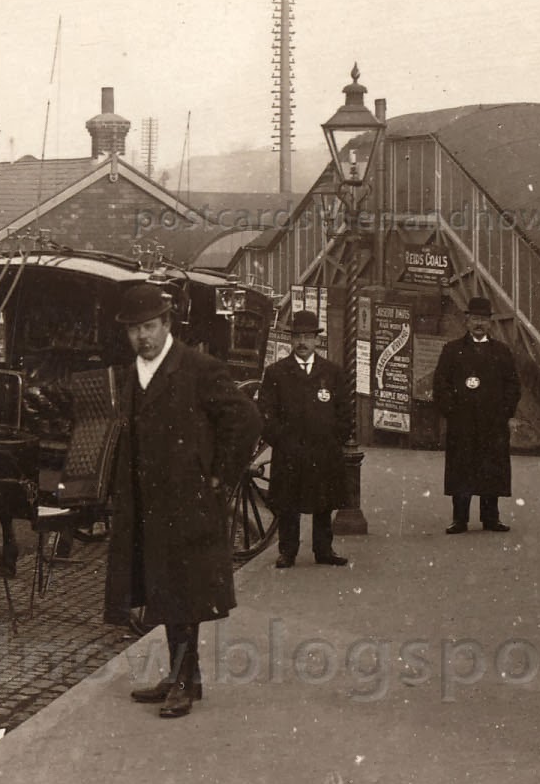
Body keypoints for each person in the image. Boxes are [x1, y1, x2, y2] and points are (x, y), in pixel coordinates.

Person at [103, 283, 261, 719]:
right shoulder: (133, 372)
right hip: (147, 503)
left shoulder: (197, 368)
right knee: (164, 590)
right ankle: (182, 677)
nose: (143, 338)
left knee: (183, 593)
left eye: (149, 327)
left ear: (167, 324)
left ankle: (184, 684)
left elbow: (246, 419)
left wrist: (219, 476)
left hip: (186, 503)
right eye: (134, 330)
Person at [257, 309, 353, 568]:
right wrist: (281, 441)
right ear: (291, 340)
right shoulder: (276, 372)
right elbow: (265, 414)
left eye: (308, 337)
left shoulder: (332, 372)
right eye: (297, 336)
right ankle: (287, 551)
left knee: (324, 502)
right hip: (290, 451)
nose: (302, 342)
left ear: (316, 340)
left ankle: (324, 550)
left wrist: (334, 440)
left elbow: (345, 412)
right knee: (289, 503)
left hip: (324, 450)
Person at [434, 295, 521, 534]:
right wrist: (452, 411)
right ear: (467, 322)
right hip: (462, 423)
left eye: (483, 319)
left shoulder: (501, 352)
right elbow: (440, 384)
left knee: (491, 469)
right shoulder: (452, 351)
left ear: (490, 323)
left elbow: (513, 385)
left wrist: (503, 412)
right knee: (461, 469)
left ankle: (491, 518)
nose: (478, 323)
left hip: (492, 424)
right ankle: (459, 519)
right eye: (474, 319)